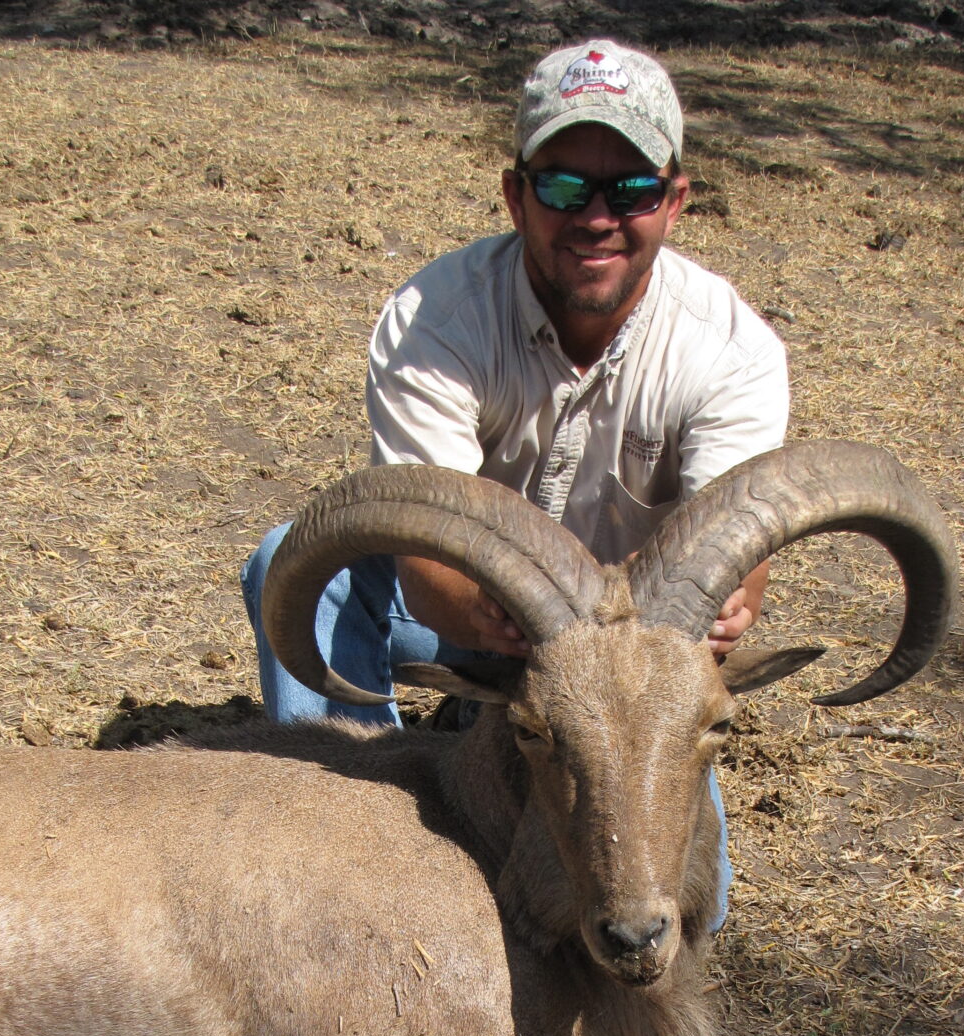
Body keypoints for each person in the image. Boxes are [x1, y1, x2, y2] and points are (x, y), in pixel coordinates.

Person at [241, 39, 790, 924]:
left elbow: (742, 552)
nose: (597, 216)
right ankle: (347, 843)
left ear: (676, 201)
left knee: (702, 908)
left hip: (634, 672)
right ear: (516, 193)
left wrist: (728, 598)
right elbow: (426, 562)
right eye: (565, 186)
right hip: (486, 621)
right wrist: (500, 614)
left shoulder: (731, 351)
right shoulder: (437, 320)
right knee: (295, 566)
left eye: (632, 190)